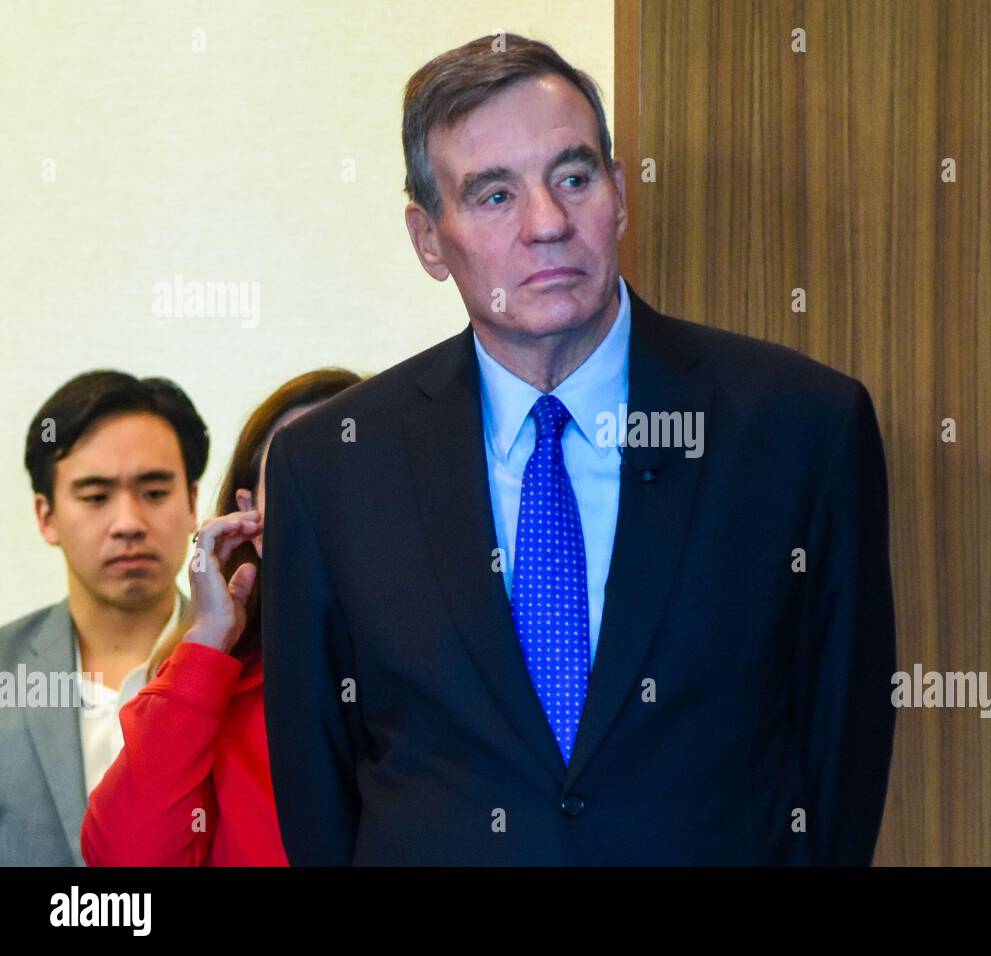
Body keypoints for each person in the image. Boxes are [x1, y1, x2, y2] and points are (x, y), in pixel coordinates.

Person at [261, 33, 896, 866]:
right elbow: (317, 787)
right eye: (493, 195)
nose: (548, 224)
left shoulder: (798, 426)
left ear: (620, 194)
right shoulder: (333, 466)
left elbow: (843, 744)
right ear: (427, 238)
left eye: (573, 177)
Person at [80, 368, 362, 866]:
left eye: (353, 476)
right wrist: (207, 641)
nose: (330, 507)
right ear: (250, 518)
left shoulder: (467, 664)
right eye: (301, 482)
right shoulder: (215, 689)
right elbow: (128, 862)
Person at [0, 371, 208, 865]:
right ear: (46, 516)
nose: (129, 523)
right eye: (95, 497)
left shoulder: (244, 667)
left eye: (155, 493)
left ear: (193, 503)